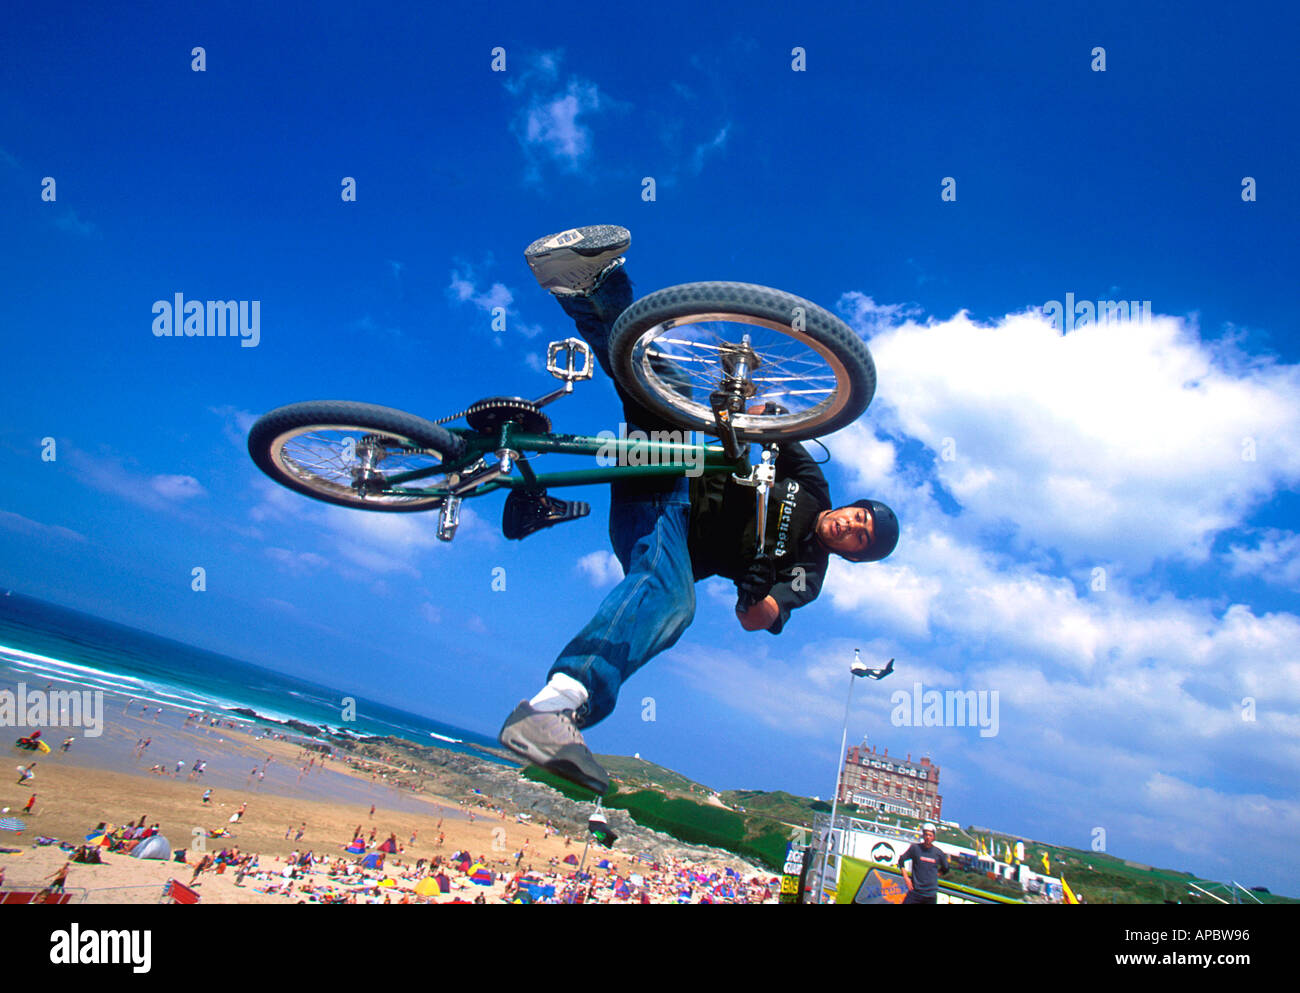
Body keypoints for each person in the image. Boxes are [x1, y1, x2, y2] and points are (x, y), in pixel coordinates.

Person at [497, 225, 900, 793]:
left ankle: (556, 706)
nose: (850, 526)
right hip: (678, 460)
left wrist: (756, 591)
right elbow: (772, 422)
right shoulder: (813, 483)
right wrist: (747, 398)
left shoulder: (808, 574)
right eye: (859, 516)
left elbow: (756, 619)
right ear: (851, 505)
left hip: (667, 526)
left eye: (860, 538)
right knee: (652, 375)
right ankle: (587, 283)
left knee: (675, 601)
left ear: (854, 556)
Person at [898, 823, 950, 904]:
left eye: (930, 835)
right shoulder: (915, 848)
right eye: (926, 835)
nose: (928, 837)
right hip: (915, 892)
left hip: (930, 895)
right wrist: (906, 878)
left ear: (934, 837)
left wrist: (937, 874)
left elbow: (946, 867)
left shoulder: (938, 853)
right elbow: (901, 860)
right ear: (923, 835)